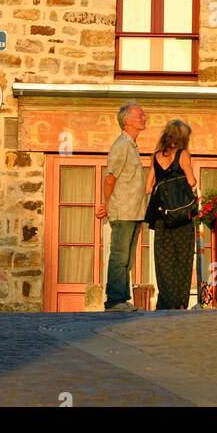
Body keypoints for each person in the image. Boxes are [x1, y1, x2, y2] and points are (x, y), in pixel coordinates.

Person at [96, 101, 148, 311]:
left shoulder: (132, 147)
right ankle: (114, 300)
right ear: (127, 121)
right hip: (123, 210)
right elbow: (110, 178)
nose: (144, 118)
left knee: (127, 258)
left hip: (135, 211)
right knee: (119, 255)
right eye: (140, 115)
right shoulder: (121, 145)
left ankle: (122, 298)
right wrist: (107, 205)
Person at [145, 119, 197, 311]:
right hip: (182, 216)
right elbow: (191, 181)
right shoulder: (183, 154)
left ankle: (167, 302)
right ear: (183, 137)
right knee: (183, 260)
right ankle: (181, 303)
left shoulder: (156, 156)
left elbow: (148, 187)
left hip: (162, 217)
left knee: (164, 260)